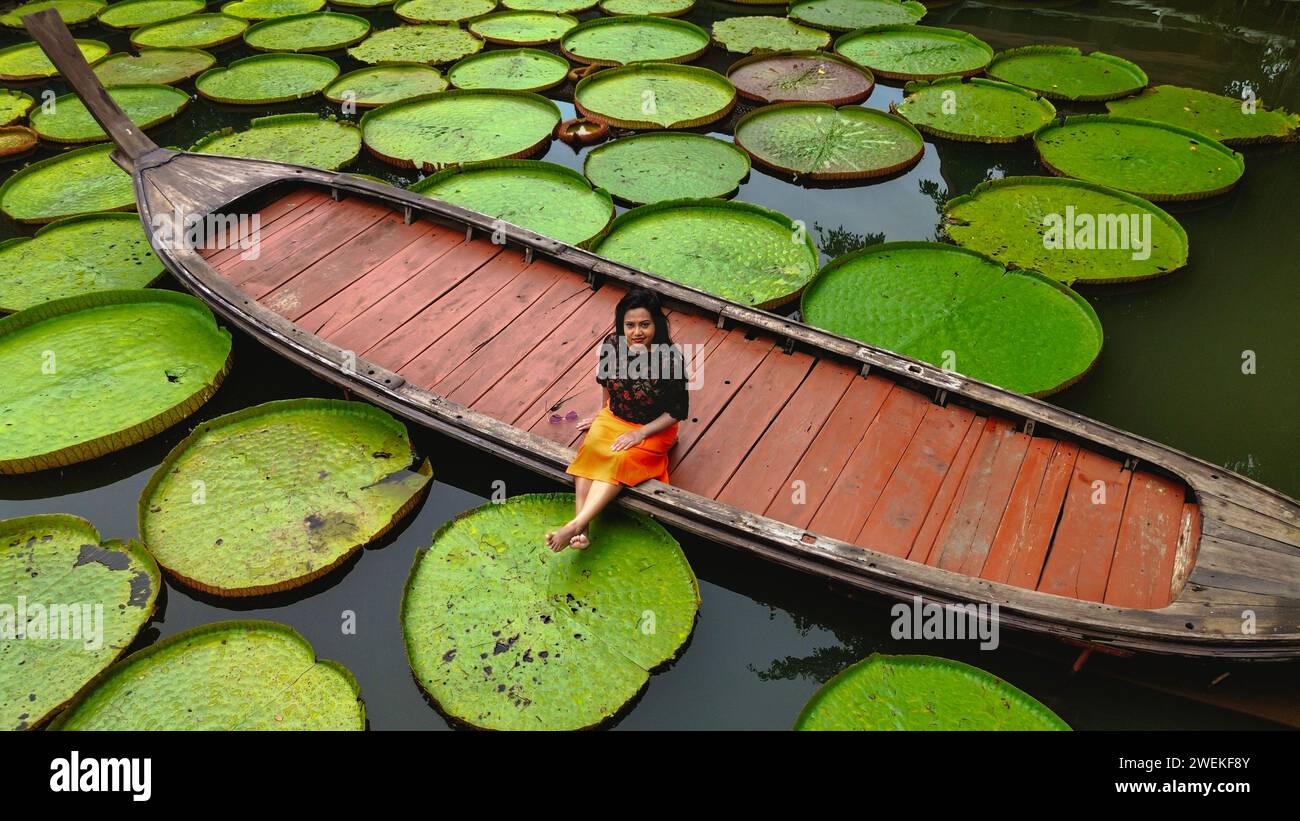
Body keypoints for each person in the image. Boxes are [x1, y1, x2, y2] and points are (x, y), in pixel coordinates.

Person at [545, 287, 690, 551]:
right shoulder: (612, 345)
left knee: (618, 460)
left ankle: (575, 525)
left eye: (644, 325)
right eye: (630, 325)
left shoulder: (670, 360)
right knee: (590, 449)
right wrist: (602, 415)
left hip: (652, 429)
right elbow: (606, 383)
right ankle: (582, 529)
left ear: (656, 324)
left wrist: (640, 434)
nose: (637, 332)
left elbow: (676, 413)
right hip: (615, 416)